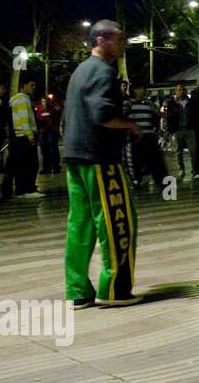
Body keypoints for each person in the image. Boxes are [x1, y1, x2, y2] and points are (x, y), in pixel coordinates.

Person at [61, 22, 143, 307]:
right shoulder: (103, 71)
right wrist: (131, 126)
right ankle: (115, 289)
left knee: (80, 225)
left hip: (75, 156)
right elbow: (103, 114)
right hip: (100, 159)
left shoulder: (81, 70)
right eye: (120, 39)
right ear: (100, 40)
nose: (124, 44)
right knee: (116, 223)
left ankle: (77, 290)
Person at [7, 78, 43, 198]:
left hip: (19, 136)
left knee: (21, 165)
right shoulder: (23, 100)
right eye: (31, 84)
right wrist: (30, 135)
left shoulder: (16, 99)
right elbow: (24, 119)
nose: (34, 87)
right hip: (24, 136)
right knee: (30, 164)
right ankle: (28, 190)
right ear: (24, 85)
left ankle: (22, 189)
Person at [127, 85, 167, 189]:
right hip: (136, 137)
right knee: (136, 159)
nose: (143, 91)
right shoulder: (129, 104)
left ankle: (160, 179)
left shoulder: (149, 103)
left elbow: (156, 117)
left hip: (149, 135)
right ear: (134, 90)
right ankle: (137, 179)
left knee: (155, 158)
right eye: (140, 88)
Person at [35, 92, 63, 175]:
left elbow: (60, 110)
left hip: (52, 131)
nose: (45, 103)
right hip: (43, 132)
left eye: (47, 101)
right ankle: (46, 167)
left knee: (53, 149)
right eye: (43, 101)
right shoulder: (40, 111)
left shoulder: (54, 109)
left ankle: (55, 166)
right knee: (44, 150)